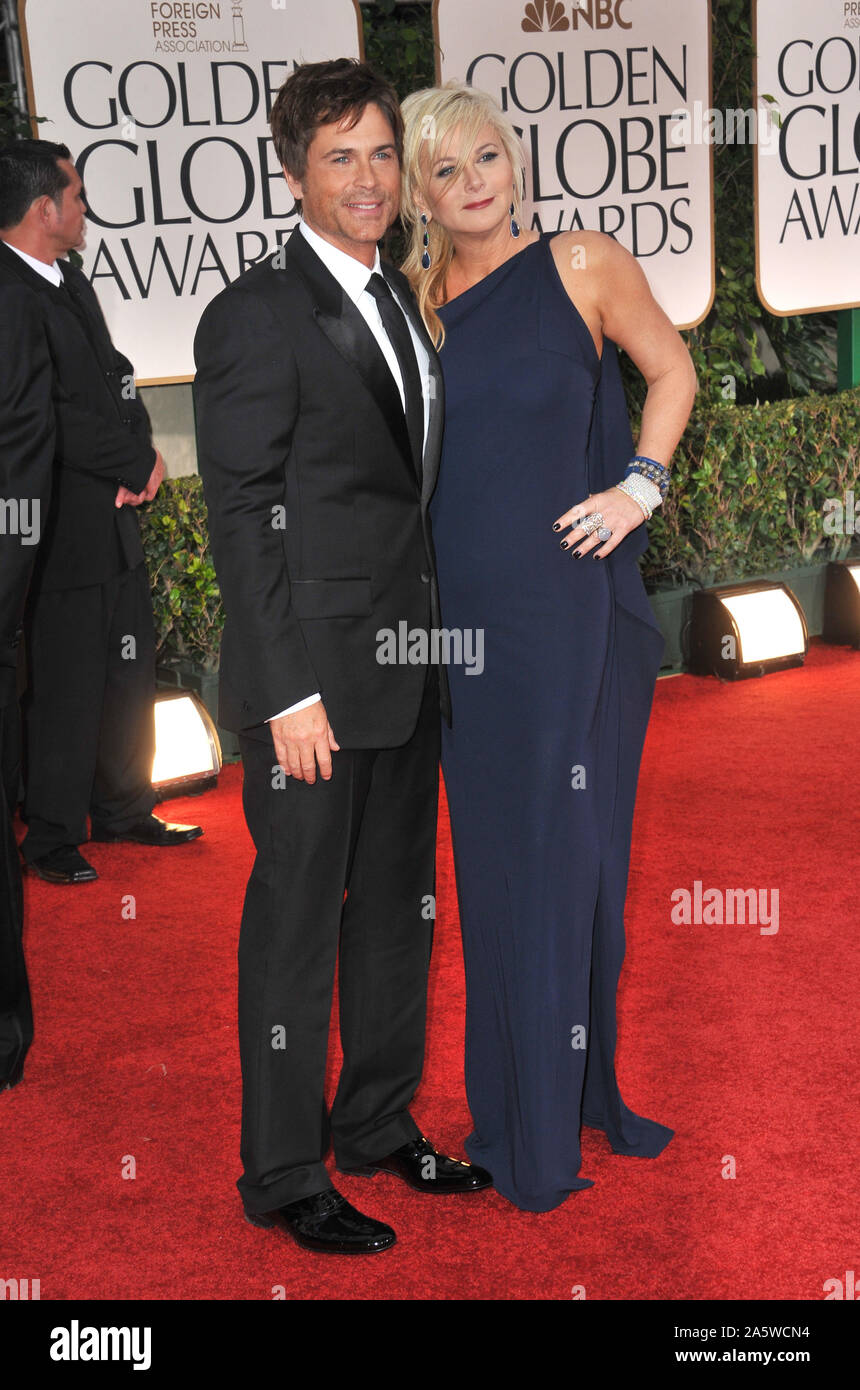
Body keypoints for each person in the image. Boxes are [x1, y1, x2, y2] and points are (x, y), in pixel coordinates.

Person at [193, 59, 491, 1257]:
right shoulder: (254, 314)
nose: (368, 179)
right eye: (339, 159)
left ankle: (373, 1121)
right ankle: (280, 1170)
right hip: (312, 688)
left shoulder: (405, 297)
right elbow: (242, 510)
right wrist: (285, 694)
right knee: (296, 924)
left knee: (396, 919)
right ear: (292, 173)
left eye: (380, 153)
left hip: (408, 669)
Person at [399, 82, 698, 1213]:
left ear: (511, 160)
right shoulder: (415, 303)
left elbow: (669, 373)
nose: (474, 184)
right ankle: (516, 1101)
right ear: (421, 196)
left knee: (574, 860)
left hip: (576, 612)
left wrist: (636, 485)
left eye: (486, 158)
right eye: (446, 172)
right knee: (495, 865)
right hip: (466, 628)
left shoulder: (584, 264)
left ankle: (569, 1096)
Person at [0, 140, 202, 889]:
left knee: (126, 668)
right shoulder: (8, 293)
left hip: (112, 516)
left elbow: (114, 375)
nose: (85, 210)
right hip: (57, 528)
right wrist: (126, 463)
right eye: (77, 196)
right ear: (42, 208)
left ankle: (123, 807)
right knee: (67, 682)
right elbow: (39, 414)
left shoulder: (70, 279)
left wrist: (145, 451)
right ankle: (51, 834)